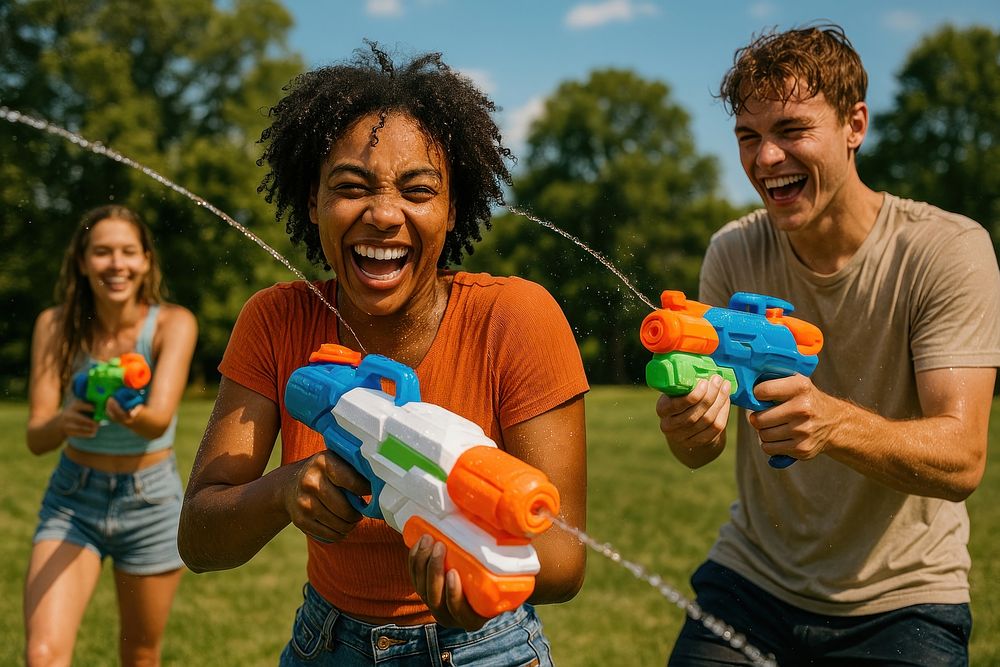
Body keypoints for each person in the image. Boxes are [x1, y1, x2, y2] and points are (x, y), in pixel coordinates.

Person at [178, 42, 588, 666]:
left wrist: (470, 575)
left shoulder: (516, 318)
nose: (384, 214)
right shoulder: (276, 319)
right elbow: (199, 538)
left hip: (486, 647)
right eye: (351, 186)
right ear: (312, 201)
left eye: (419, 191)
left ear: (454, 211)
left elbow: (562, 562)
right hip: (327, 643)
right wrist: (287, 490)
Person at [655, 24, 1000, 666]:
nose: (765, 159)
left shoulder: (947, 251)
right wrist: (690, 427)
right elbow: (697, 452)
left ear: (855, 125)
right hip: (752, 577)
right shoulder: (733, 250)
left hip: (905, 598)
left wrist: (833, 422)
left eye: (791, 131)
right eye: (749, 138)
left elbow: (963, 458)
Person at [24, 204, 198, 667]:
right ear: (82, 262)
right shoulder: (55, 326)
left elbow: (158, 419)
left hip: (151, 504)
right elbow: (36, 437)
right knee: (42, 654)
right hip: (73, 499)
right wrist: (64, 421)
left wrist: (124, 412)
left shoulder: (172, 324)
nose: (116, 264)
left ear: (145, 261)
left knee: (139, 655)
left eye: (127, 252)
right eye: (102, 252)